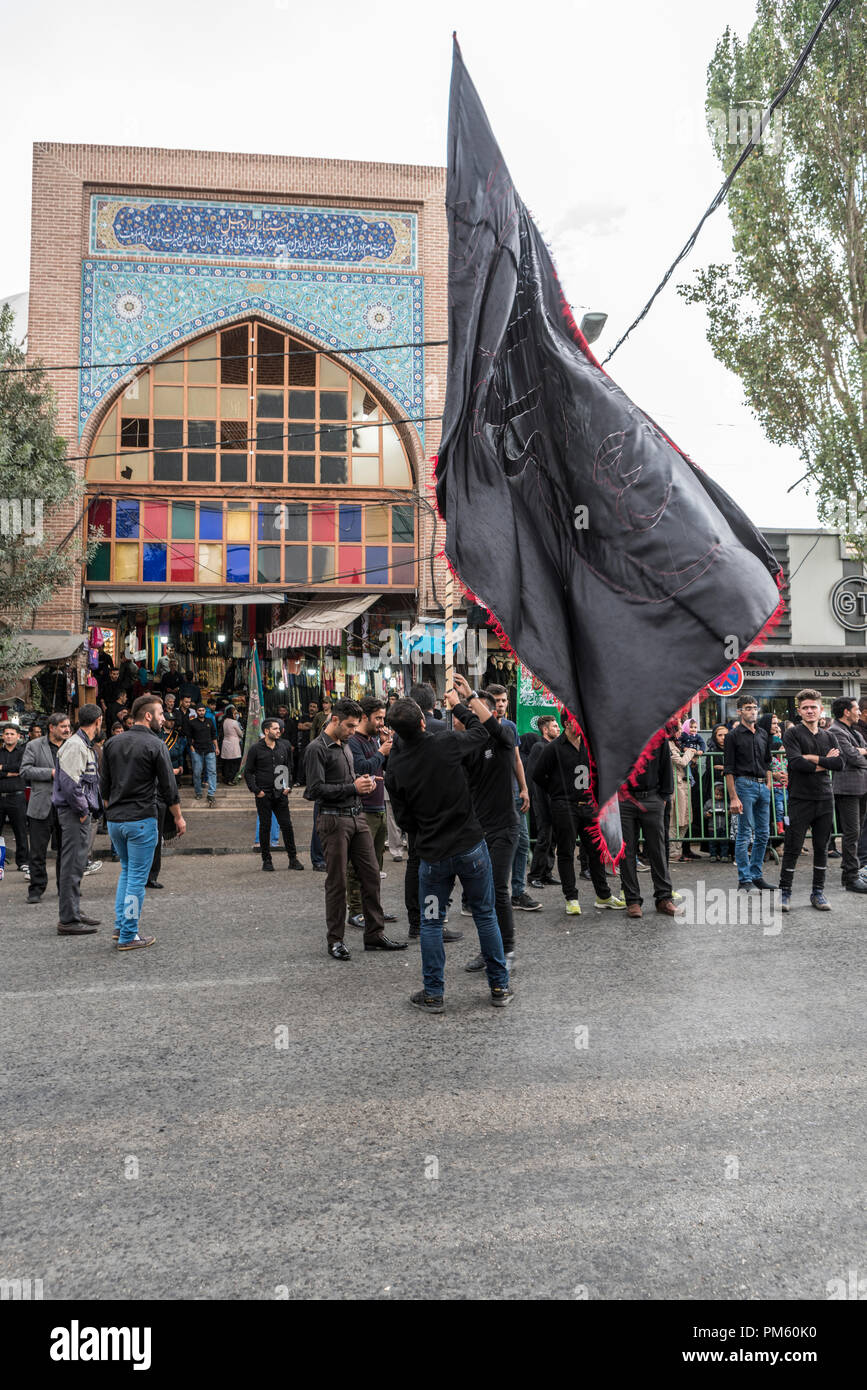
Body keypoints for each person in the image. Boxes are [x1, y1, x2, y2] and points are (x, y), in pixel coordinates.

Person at [385, 688, 512, 1012]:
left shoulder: (395, 767)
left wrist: (428, 829)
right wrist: (461, 706)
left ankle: (433, 993)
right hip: (470, 846)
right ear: (425, 723)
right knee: (485, 913)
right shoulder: (446, 743)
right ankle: (499, 986)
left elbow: (404, 820)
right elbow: (485, 732)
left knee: (430, 922)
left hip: (433, 855)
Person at [303, 699, 405, 960]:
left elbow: (349, 780)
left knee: (371, 875)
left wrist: (363, 783)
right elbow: (313, 791)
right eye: (349, 726)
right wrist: (352, 788)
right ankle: (335, 940)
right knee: (336, 882)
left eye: (355, 726)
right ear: (335, 720)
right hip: (333, 820)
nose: (352, 731)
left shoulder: (346, 745)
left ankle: (374, 934)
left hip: (356, 815)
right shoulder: (317, 749)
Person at [102, 694, 186, 948]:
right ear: (148, 716)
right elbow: (169, 787)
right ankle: (128, 935)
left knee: (127, 873)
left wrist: (111, 810)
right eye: (161, 714)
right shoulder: (156, 744)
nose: (164, 719)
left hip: (116, 819)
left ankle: (121, 927)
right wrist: (179, 817)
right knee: (137, 877)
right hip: (141, 818)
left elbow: (104, 786)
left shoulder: (112, 743)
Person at [454, 683, 522, 973]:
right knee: (482, 893)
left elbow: (491, 725)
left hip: (505, 827)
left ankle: (507, 951)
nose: (471, 715)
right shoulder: (470, 745)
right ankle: (489, 950)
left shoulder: (505, 735)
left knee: (497, 889)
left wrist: (468, 696)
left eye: (476, 710)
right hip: (478, 828)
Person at [532, 718, 625, 914]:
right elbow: (538, 775)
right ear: (567, 723)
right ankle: (571, 898)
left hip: (588, 805)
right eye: (577, 721)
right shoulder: (553, 748)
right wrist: (556, 792)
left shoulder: (589, 746)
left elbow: (599, 772)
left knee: (596, 851)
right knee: (566, 851)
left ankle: (604, 895)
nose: (581, 725)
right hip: (564, 806)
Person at [400, 684, 461, 942]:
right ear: (433, 705)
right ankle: (433, 920)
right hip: (438, 811)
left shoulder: (401, 733)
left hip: (412, 810)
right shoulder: (439, 728)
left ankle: (418, 921)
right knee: (435, 869)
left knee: (415, 864)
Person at [778, 689, 841, 912]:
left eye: (813, 706)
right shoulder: (793, 734)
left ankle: (818, 893)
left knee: (821, 847)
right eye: (805, 707)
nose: (810, 711)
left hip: (825, 797)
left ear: (820, 708)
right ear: (799, 711)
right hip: (800, 798)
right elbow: (796, 763)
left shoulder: (829, 736)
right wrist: (825, 762)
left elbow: (840, 764)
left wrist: (812, 759)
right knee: (793, 847)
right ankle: (784, 893)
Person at [483, 683, 539, 912]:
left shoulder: (511, 726)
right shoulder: (479, 727)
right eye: (497, 701)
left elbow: (517, 759)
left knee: (522, 842)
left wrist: (524, 788)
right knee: (489, 846)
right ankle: (486, 894)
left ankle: (518, 891)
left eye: (504, 700)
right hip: (490, 798)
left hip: (514, 794)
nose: (501, 705)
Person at [346, 697, 398, 929]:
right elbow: (361, 768)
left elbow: (382, 768)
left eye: (383, 718)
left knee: (376, 866)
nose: (381, 722)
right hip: (363, 810)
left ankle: (373, 909)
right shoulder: (354, 742)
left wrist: (387, 748)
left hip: (379, 807)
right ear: (364, 717)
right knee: (358, 865)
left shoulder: (374, 740)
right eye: (377, 718)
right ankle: (355, 910)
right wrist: (380, 751)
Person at [52, 703, 103, 935]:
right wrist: (83, 811)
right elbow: (71, 785)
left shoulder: (80, 744)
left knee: (76, 865)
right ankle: (68, 919)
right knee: (72, 865)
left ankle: (73, 911)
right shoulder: (75, 745)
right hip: (74, 814)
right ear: (98, 721)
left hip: (77, 813)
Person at [618, 736, 680, 918]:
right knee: (627, 851)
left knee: (658, 850)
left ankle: (664, 899)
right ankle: (633, 901)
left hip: (652, 797)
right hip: (624, 798)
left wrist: (664, 796)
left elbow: (665, 765)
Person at [723, 696, 775, 892]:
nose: (753, 711)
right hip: (744, 785)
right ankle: (744, 879)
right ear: (739, 711)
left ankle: (757, 875)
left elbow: (767, 762)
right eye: (748, 708)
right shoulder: (732, 736)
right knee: (744, 834)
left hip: (763, 787)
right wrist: (733, 797)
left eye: (754, 708)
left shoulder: (763, 733)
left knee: (763, 834)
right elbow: (728, 769)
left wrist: (768, 784)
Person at [20, 712, 71, 904]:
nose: (67, 730)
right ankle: (36, 889)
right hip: (41, 806)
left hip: (66, 806)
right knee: (38, 852)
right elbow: (25, 770)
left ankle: (65, 888)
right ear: (52, 727)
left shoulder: (72, 745)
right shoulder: (34, 745)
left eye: (68, 726)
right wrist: (50, 773)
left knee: (66, 851)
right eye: (63, 726)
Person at [244, 718, 303, 871]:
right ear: (266, 731)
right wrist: (257, 791)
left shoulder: (283, 746)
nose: (279, 731)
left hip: (280, 793)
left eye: (279, 728)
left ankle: (293, 859)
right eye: (275, 729)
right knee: (265, 827)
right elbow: (248, 772)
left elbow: (288, 767)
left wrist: (287, 786)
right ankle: (267, 861)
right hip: (264, 794)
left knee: (287, 826)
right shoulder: (256, 749)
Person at [828, 696, 867, 895]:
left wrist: (861, 752)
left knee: (857, 833)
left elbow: (859, 753)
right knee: (851, 834)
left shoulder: (852, 731)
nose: (859, 712)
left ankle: (852, 872)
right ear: (846, 711)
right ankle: (850, 878)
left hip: (861, 788)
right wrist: (861, 753)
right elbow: (852, 757)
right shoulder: (835, 731)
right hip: (848, 789)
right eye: (856, 709)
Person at [528, 715, 560, 888]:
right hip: (542, 800)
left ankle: (547, 873)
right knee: (544, 839)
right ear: (545, 729)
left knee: (552, 838)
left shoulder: (553, 748)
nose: (558, 729)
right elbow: (534, 777)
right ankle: (534, 875)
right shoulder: (539, 747)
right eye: (555, 726)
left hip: (554, 800)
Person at [0, 723, 29, 871]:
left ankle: (23, 862)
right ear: (2, 736)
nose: (9, 736)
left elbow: (21, 768)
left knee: (20, 830)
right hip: (0, 797)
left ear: (18, 736)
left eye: (12, 734)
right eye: (6, 734)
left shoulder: (23, 752)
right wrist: (9, 773)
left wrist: (2, 768)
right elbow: (15, 769)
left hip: (17, 797)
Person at [188, 704, 218, 805]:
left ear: (205, 711)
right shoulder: (192, 723)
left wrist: (217, 747)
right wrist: (192, 748)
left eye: (203, 710)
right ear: (196, 711)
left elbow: (214, 735)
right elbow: (189, 737)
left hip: (209, 749)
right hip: (197, 751)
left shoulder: (209, 721)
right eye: (199, 710)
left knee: (212, 772)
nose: (201, 712)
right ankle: (198, 792)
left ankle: (211, 793)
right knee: (197, 772)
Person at [219, 705, 244, 784]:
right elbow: (240, 734)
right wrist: (242, 732)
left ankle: (226, 779)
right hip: (234, 743)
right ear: (231, 713)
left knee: (227, 763)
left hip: (226, 742)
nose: (236, 715)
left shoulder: (225, 721)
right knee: (235, 763)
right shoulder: (234, 722)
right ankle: (230, 779)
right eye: (235, 713)